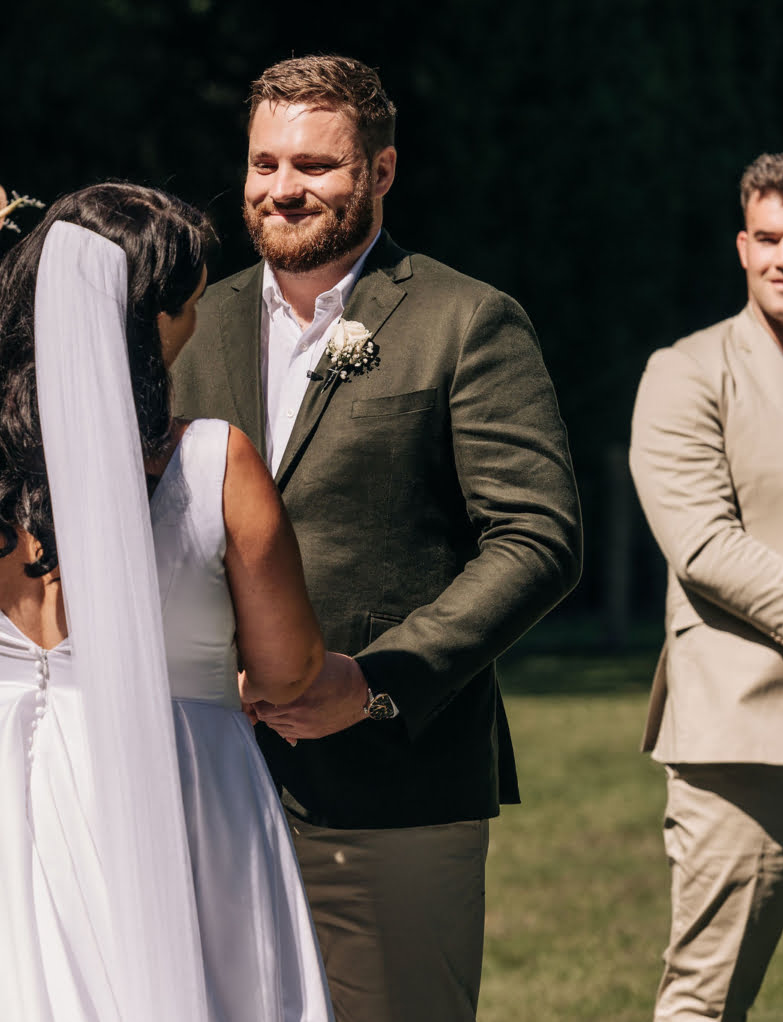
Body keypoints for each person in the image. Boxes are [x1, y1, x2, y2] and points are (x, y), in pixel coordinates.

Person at [0, 183, 337, 1021]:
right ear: (155, 316)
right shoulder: (215, 461)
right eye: (190, 301)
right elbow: (289, 670)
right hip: (166, 779)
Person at [170, 55, 583, 1022]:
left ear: (382, 173)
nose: (282, 189)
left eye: (315, 166)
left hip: (393, 791)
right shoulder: (190, 321)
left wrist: (377, 679)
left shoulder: (465, 320)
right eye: (265, 163)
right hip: (202, 780)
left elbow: (538, 537)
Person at [629, 150, 783, 1022]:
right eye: (772, 239)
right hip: (748, 741)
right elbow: (703, 542)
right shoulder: (686, 371)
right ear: (743, 247)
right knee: (706, 1004)